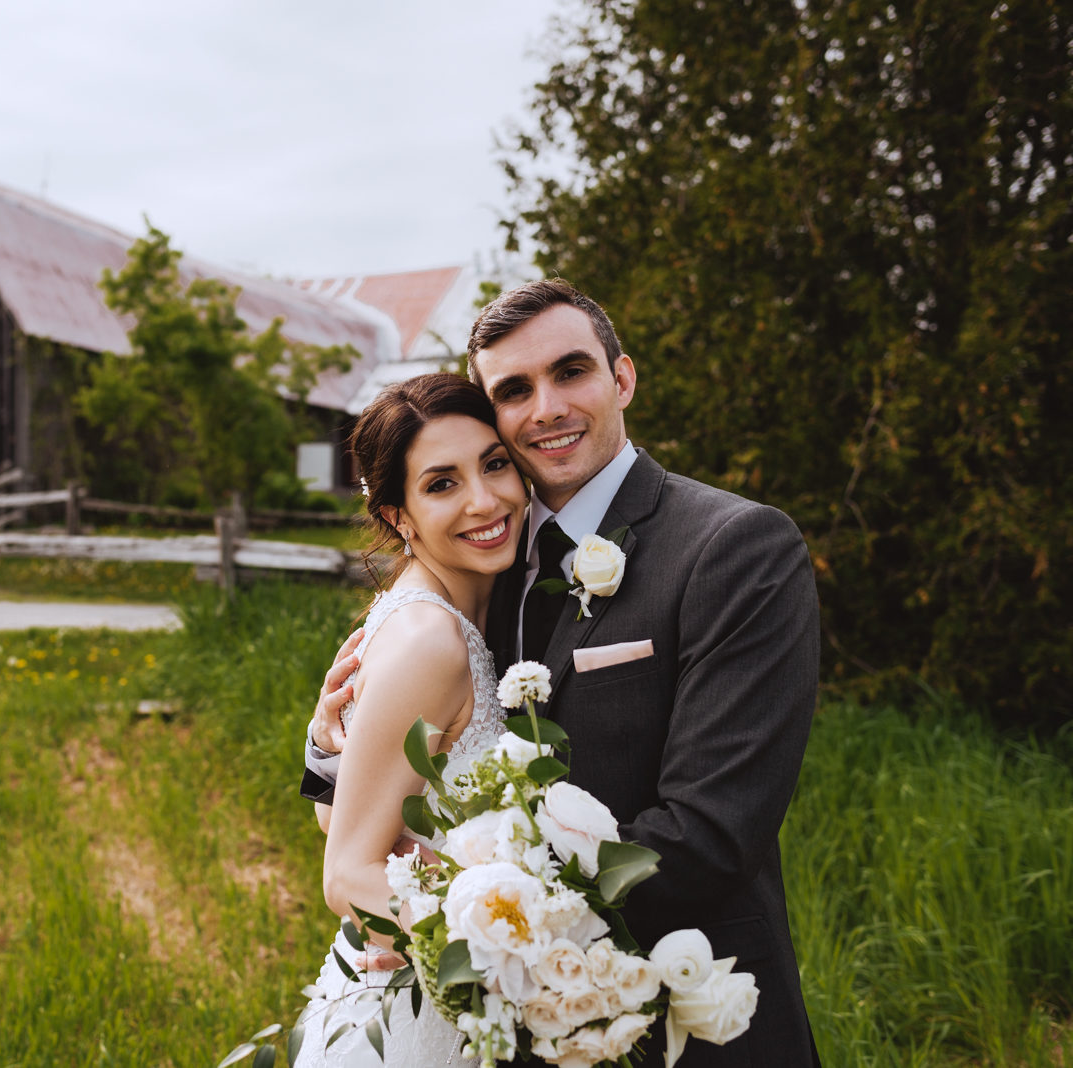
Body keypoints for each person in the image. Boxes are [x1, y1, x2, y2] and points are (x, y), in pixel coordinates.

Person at [304, 280, 821, 1066]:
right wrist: (331, 748)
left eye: (571, 371)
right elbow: (385, 805)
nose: (545, 408)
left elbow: (709, 835)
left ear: (623, 378)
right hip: (504, 1021)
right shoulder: (483, 561)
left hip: (681, 1012)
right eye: (514, 390)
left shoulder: (734, 547)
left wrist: (489, 926)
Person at [292, 373, 528, 1066]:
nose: (484, 500)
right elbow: (346, 875)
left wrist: (322, 751)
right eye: (442, 483)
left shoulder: (445, 608)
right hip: (416, 1016)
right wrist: (528, 944)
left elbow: (343, 813)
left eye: (494, 464)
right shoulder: (430, 641)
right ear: (400, 516)